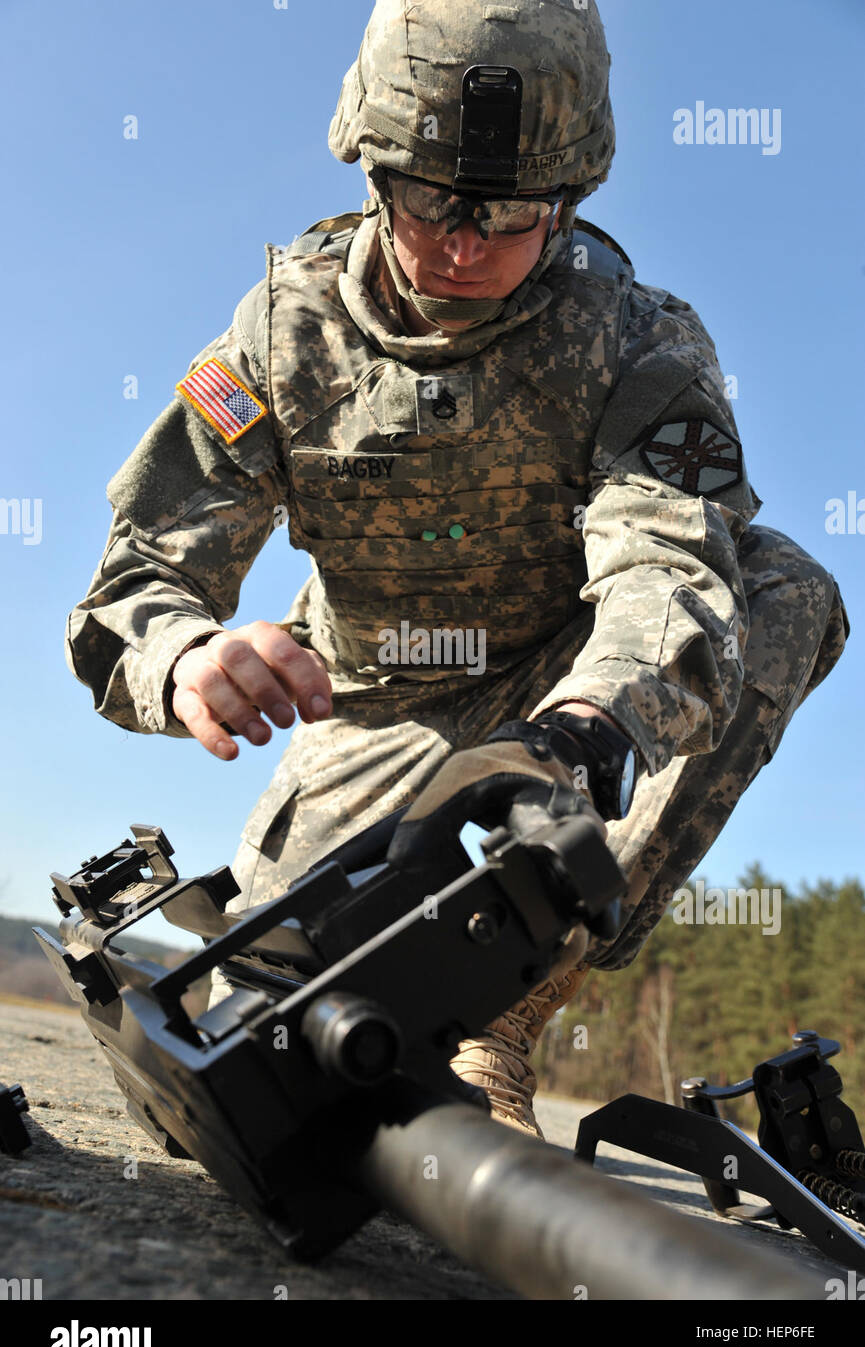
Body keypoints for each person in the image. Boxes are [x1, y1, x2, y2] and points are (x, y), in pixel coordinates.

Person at [65, 0, 848, 1139]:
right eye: (432, 199)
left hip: (560, 692)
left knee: (776, 590)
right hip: (374, 720)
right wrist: (186, 656)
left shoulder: (642, 344)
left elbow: (667, 565)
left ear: (571, 198)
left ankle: (510, 1009)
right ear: (373, 167)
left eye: (511, 212)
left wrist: (585, 728)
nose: (466, 243)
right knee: (269, 1057)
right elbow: (134, 580)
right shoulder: (279, 341)